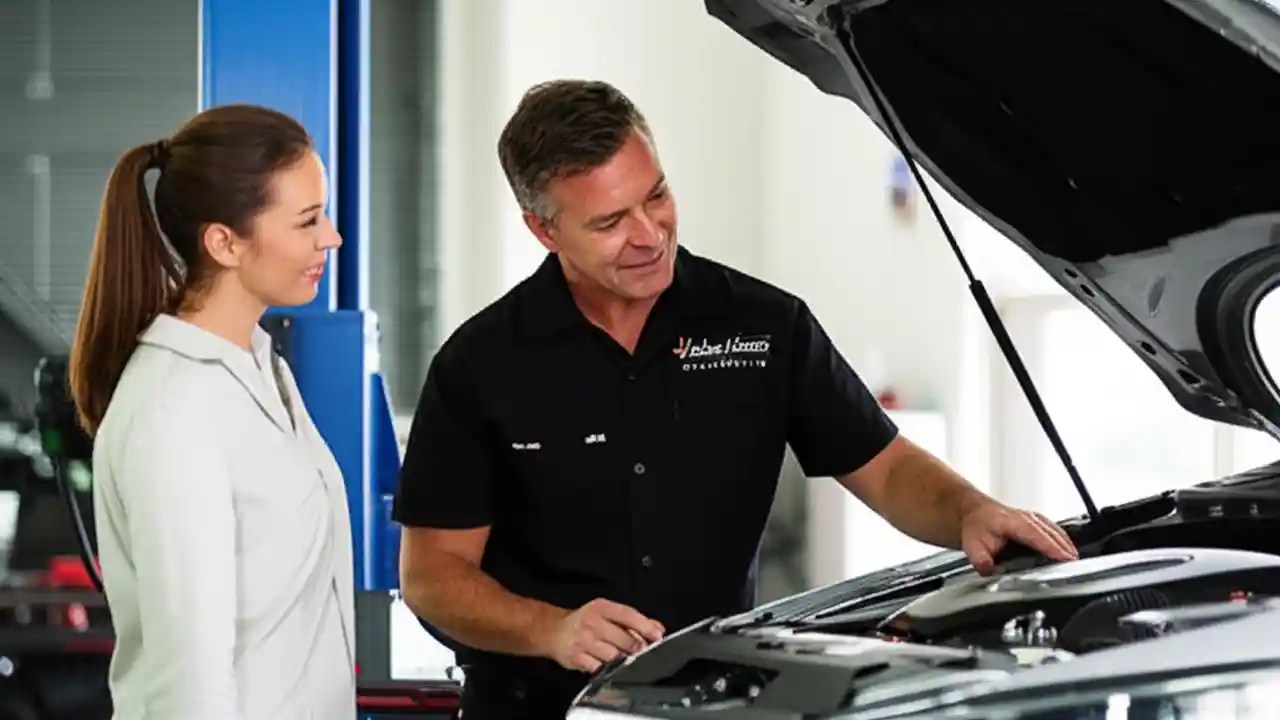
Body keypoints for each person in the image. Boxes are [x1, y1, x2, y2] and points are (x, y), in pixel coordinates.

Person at [393, 79, 1079, 718]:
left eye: (656, 196)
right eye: (608, 223)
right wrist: (550, 629)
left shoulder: (764, 326)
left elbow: (886, 465)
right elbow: (433, 576)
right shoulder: (480, 365)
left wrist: (971, 512)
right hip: (533, 706)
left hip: (717, 702)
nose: (650, 235)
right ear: (544, 230)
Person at [69, 104, 356, 719]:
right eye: (307, 221)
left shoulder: (260, 364)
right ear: (224, 242)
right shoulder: (172, 411)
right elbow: (190, 678)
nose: (330, 236)